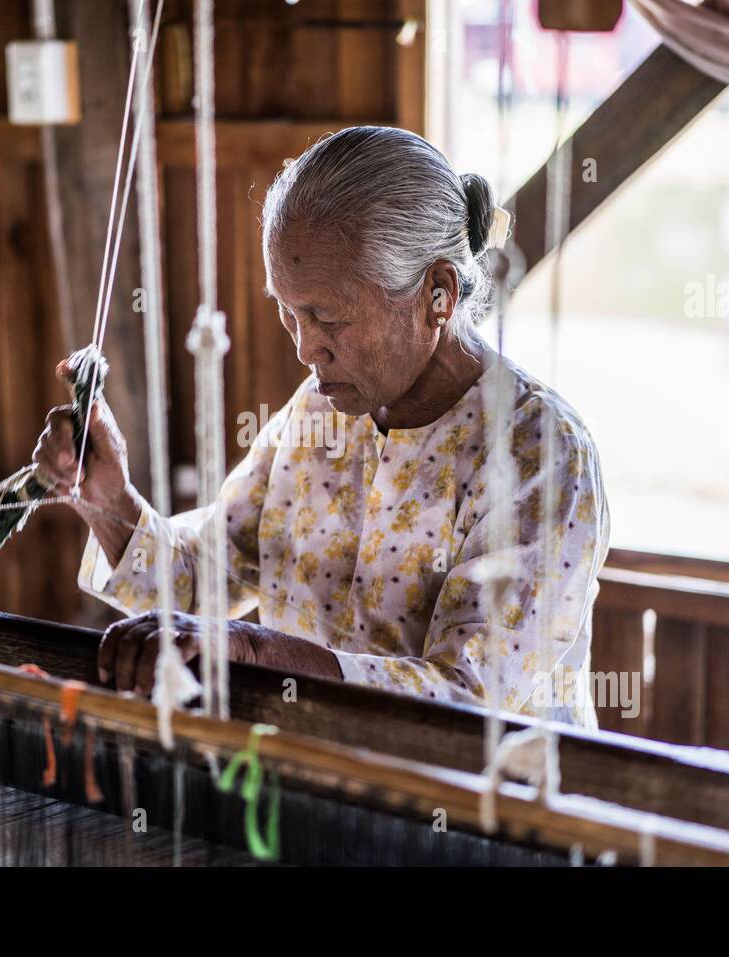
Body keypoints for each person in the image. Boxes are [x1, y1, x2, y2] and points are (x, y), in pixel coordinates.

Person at [33, 126, 609, 725]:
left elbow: (468, 701)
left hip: (484, 813)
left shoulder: (539, 454)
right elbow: (204, 583)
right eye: (287, 313)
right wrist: (106, 498)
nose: (307, 349)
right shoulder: (318, 413)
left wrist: (256, 649)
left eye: (327, 317)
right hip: (310, 794)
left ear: (437, 294)